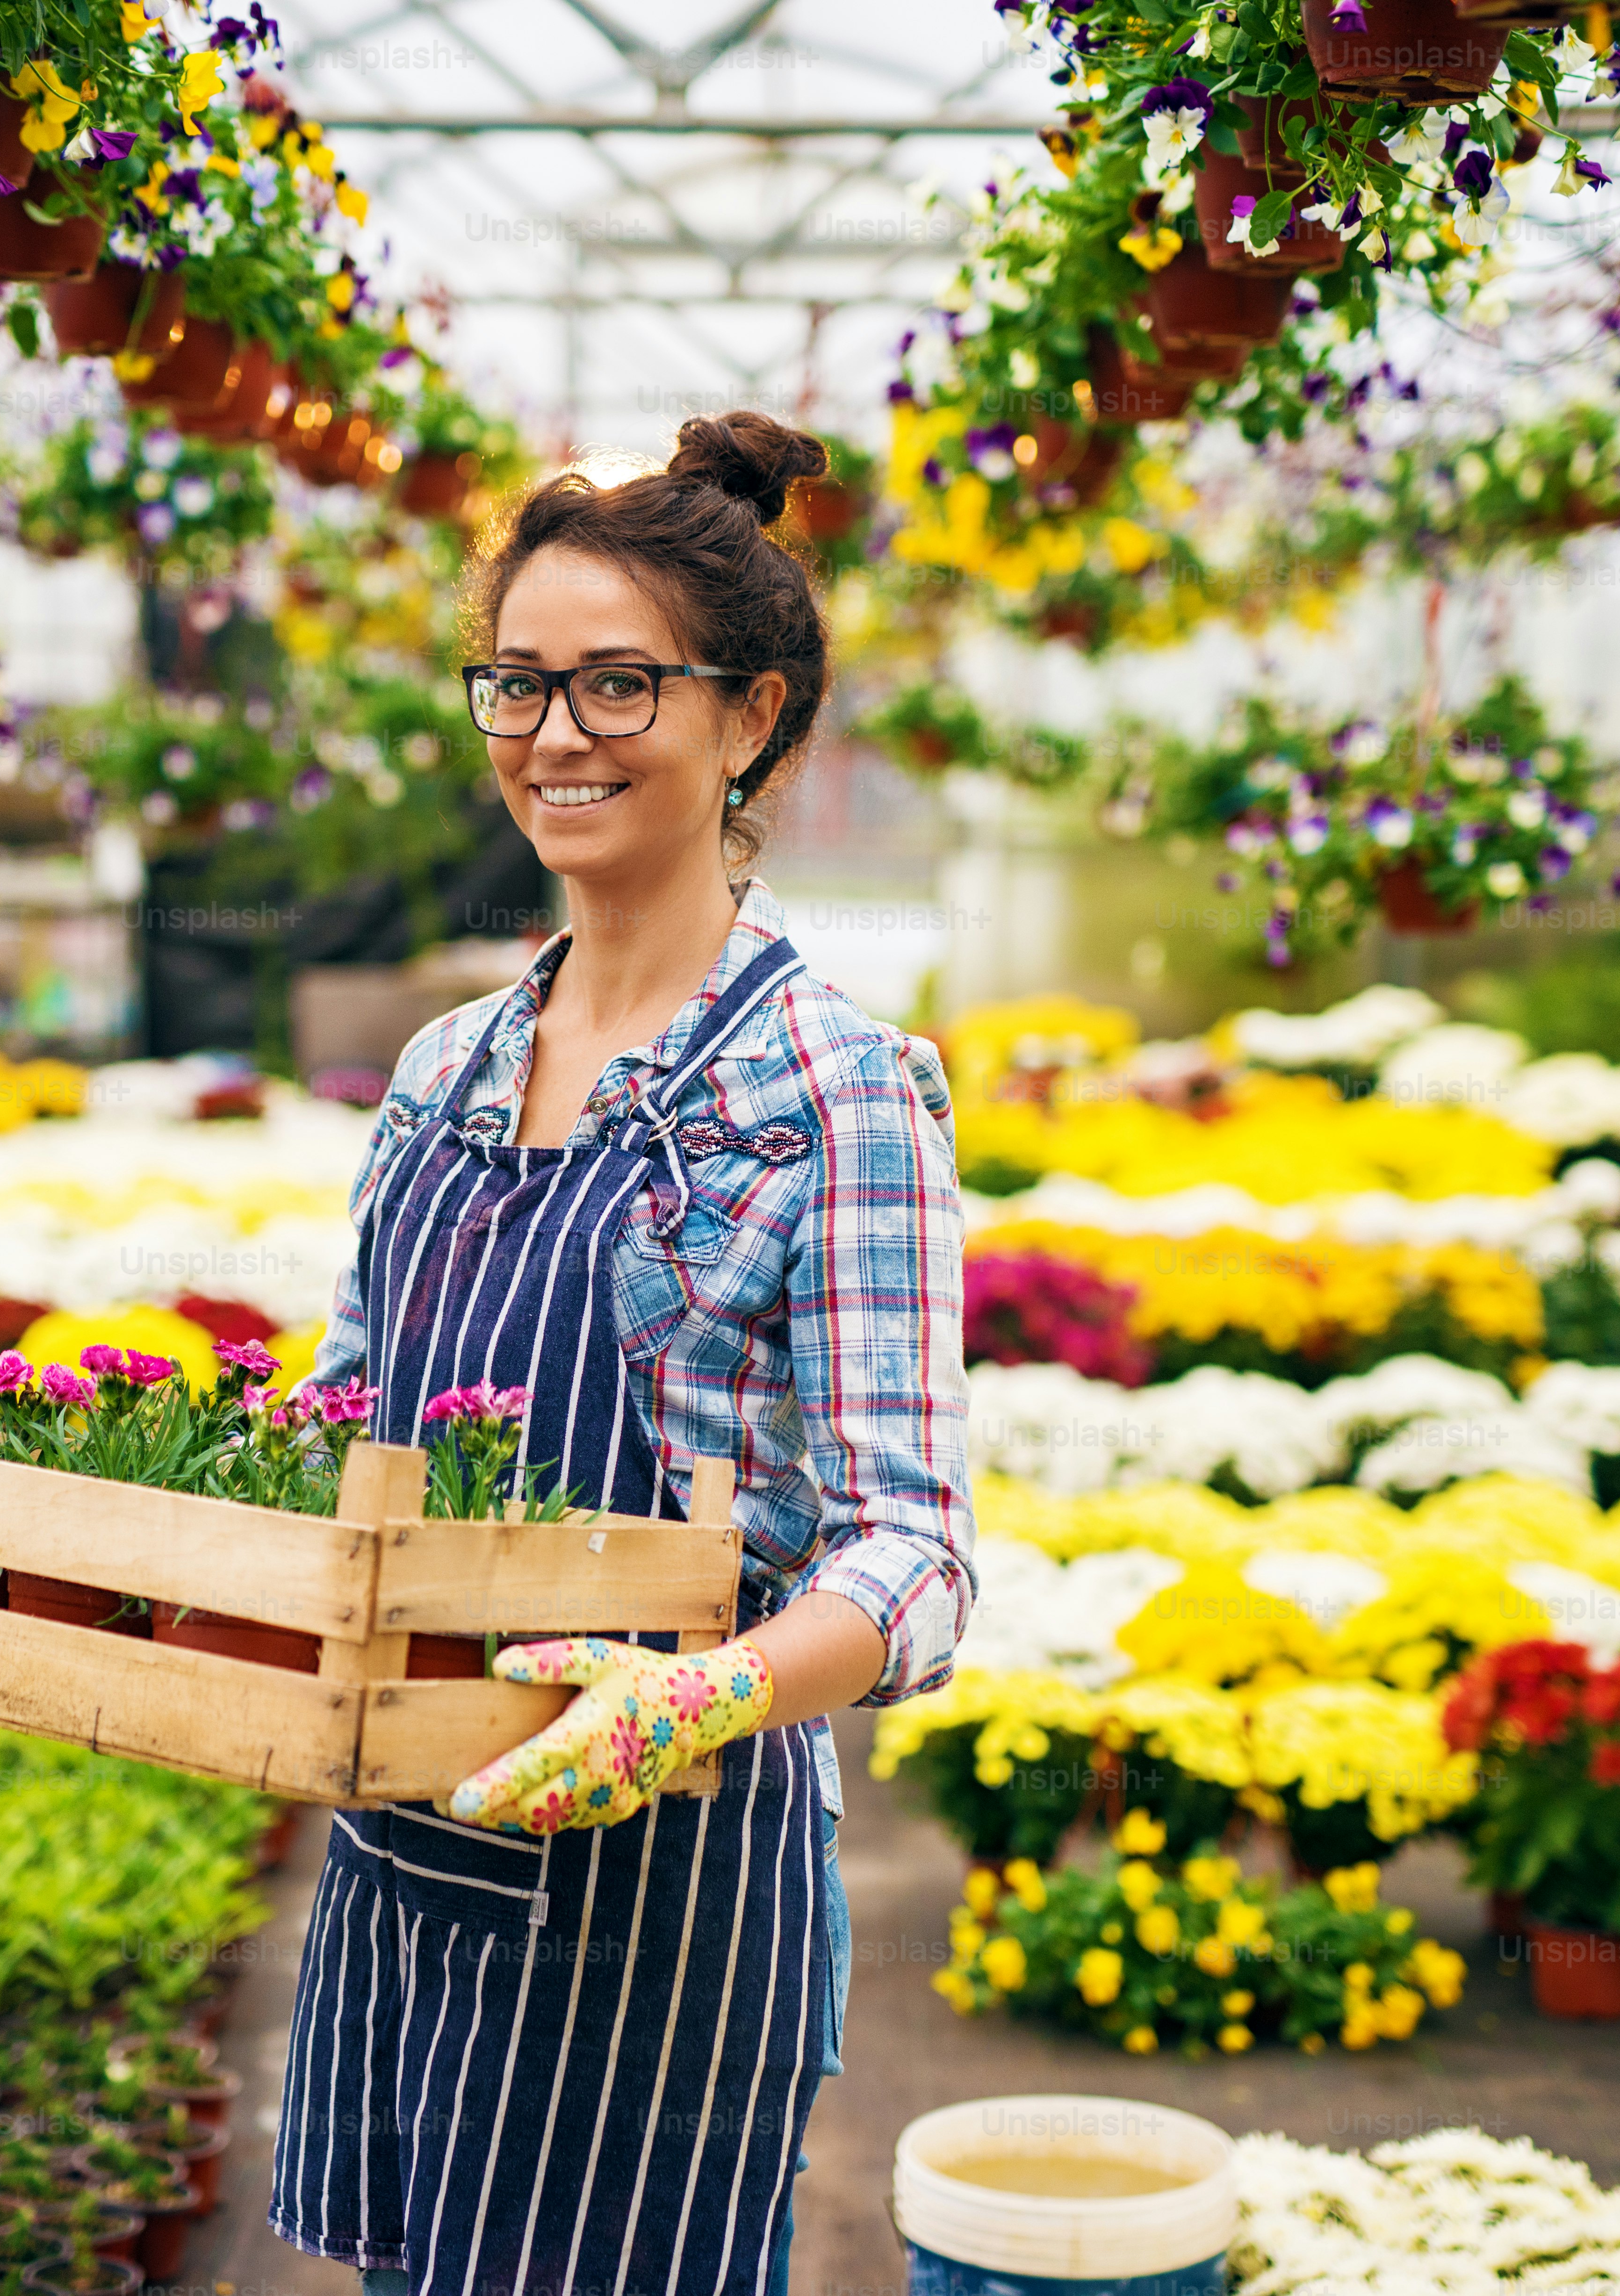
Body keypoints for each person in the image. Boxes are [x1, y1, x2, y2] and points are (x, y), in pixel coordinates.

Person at [269, 411, 974, 2296]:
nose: (553, 735)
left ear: (748, 719)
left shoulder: (838, 1089)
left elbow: (915, 1557)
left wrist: (704, 1696)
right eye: (516, 683)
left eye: (615, 686)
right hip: (410, 1834)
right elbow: (348, 1413)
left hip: (663, 1883)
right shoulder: (444, 1069)